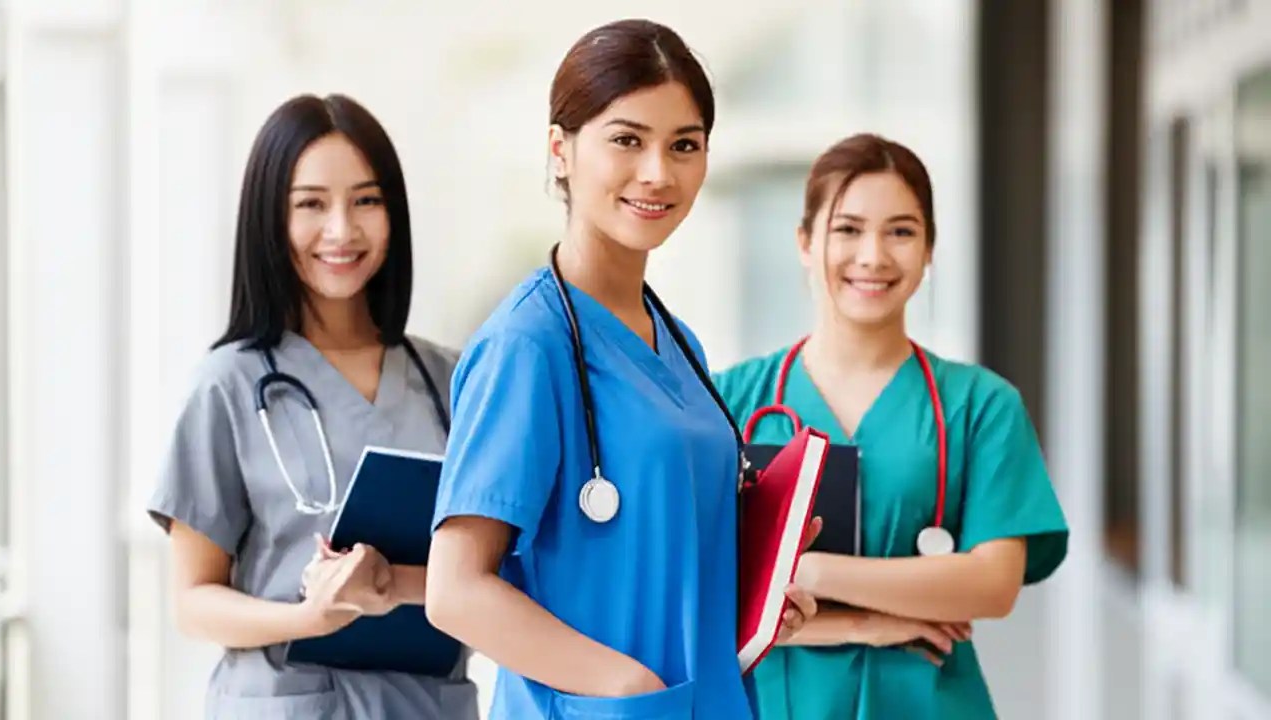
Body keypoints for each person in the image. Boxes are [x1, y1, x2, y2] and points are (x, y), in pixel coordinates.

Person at [423, 19, 818, 720]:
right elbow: (455, 591)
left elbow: (657, 554)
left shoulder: (679, 343)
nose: (658, 173)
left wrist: (752, 596)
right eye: (627, 140)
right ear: (561, 150)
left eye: (684, 145)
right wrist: (626, 689)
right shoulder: (528, 344)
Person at [712, 133, 1069, 720]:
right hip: (773, 702)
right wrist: (868, 623)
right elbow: (710, 594)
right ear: (805, 242)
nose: (873, 256)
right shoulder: (731, 400)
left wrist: (805, 571)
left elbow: (993, 583)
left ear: (929, 250)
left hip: (929, 700)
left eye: (901, 231)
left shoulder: (981, 405)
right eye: (848, 229)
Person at [146, 94, 477, 719]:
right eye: (311, 204)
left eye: (366, 200)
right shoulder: (229, 386)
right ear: (271, 218)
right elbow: (193, 600)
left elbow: (497, 570)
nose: (341, 230)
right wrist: (308, 617)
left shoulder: (453, 382)